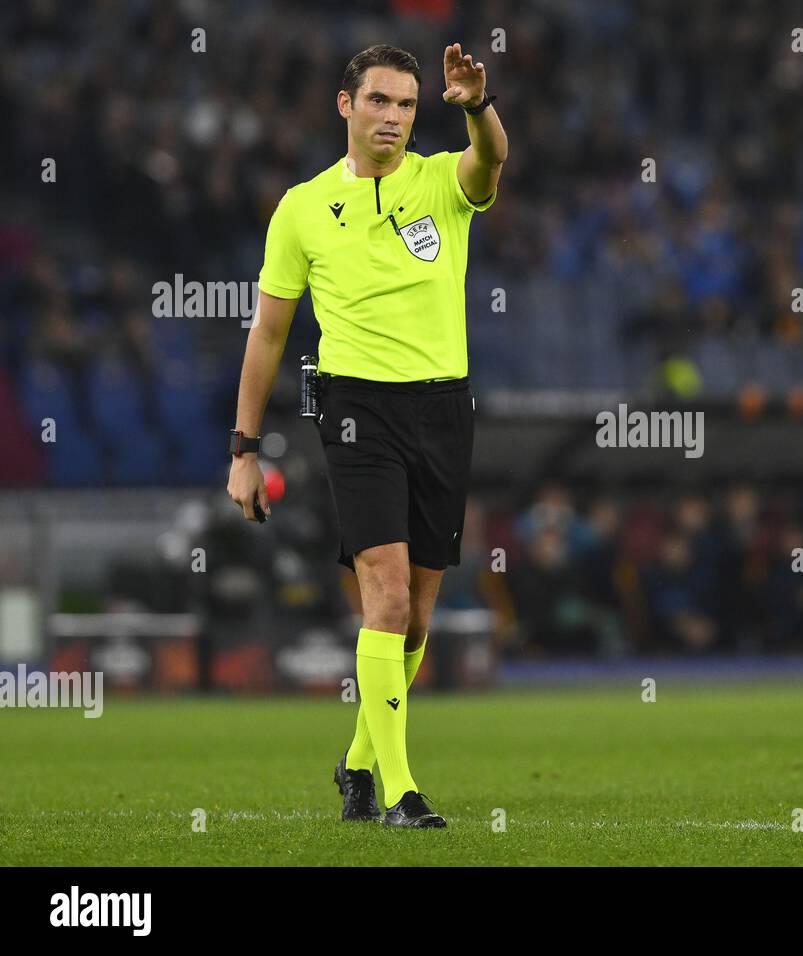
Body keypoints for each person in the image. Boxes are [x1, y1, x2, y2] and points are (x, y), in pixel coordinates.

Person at [226, 43, 507, 826]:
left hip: (444, 408)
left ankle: (355, 762)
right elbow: (268, 333)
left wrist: (476, 108)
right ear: (345, 106)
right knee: (381, 597)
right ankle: (401, 791)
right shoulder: (302, 207)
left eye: (408, 105)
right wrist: (243, 450)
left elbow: (491, 164)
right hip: (357, 411)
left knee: (416, 616)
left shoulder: (442, 180)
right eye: (380, 101)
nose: (394, 118)